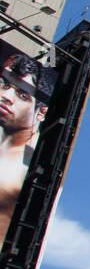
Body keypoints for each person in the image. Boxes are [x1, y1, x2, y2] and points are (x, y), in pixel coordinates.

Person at [0, 52, 53, 240]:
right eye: (5, 85)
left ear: (41, 112)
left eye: (22, 94)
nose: (6, 96)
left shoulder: (18, 171)